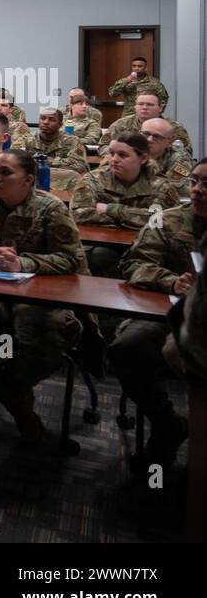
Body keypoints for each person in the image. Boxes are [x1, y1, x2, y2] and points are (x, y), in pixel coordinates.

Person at [0, 148, 90, 442]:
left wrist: (23, 262)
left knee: (43, 332)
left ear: (28, 180)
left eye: (5, 173)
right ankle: (18, 404)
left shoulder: (51, 209)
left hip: (37, 294)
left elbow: (71, 260)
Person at [110, 159, 205, 466]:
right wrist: (171, 281)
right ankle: (166, 422)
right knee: (127, 347)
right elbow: (134, 263)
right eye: (194, 182)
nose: (198, 190)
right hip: (167, 310)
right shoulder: (168, 220)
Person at [70, 131, 182, 277]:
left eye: (122, 155)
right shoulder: (93, 179)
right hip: (102, 242)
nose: (114, 159)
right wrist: (137, 217)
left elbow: (161, 221)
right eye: (111, 153)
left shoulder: (161, 186)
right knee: (99, 256)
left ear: (143, 158)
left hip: (147, 247)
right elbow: (79, 214)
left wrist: (112, 210)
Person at [24, 107, 89, 189]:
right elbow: (16, 160)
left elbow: (79, 165)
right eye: (42, 118)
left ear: (60, 125)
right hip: (33, 179)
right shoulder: (27, 139)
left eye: (51, 120)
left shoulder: (72, 141)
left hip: (62, 180)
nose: (45, 122)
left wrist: (44, 161)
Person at [100, 92, 191, 150]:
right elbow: (103, 145)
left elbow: (186, 151)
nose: (144, 107)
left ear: (160, 108)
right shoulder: (122, 124)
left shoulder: (173, 127)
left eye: (150, 104)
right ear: (135, 107)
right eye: (140, 104)